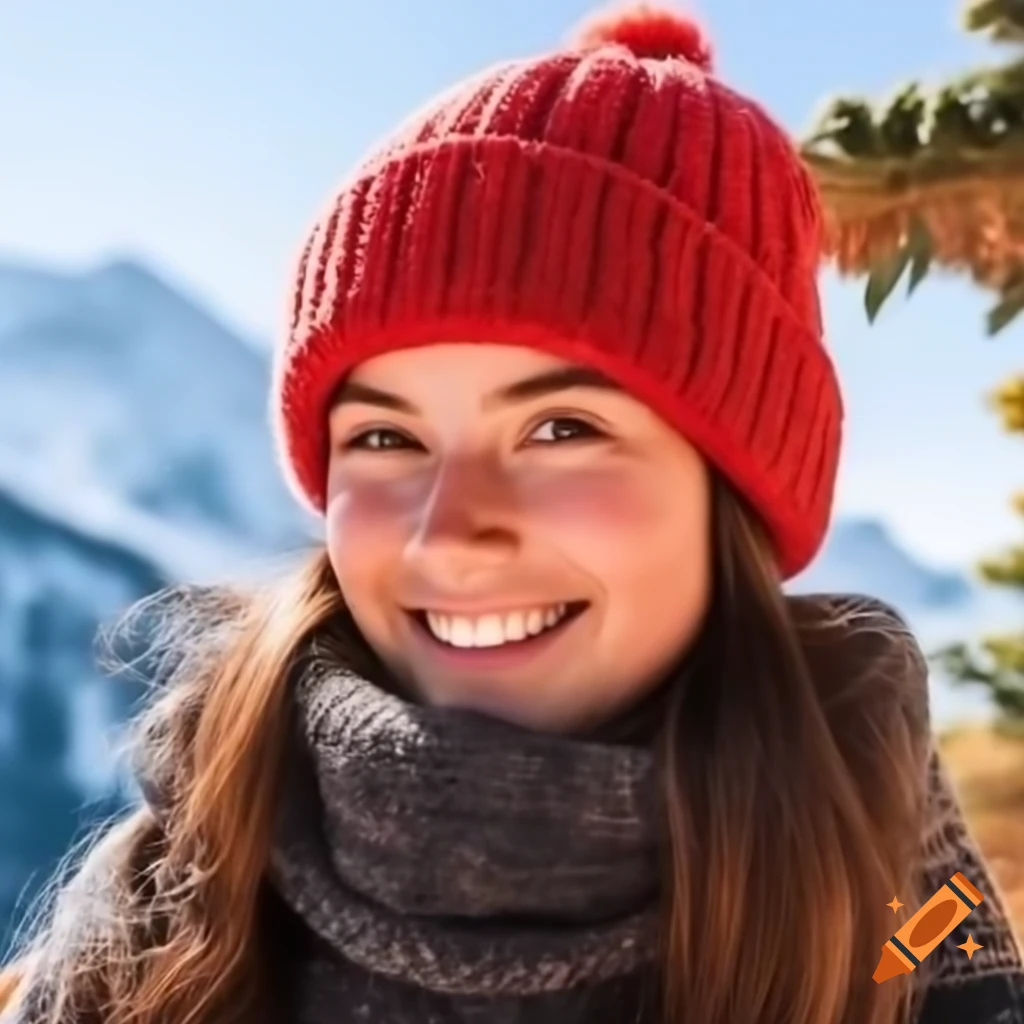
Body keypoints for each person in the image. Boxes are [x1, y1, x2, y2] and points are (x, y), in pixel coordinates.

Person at [2, 5, 1023, 1023]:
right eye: (386, 438)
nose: (447, 530)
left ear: (733, 490)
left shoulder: (892, 889)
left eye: (561, 429)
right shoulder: (173, 891)